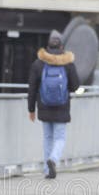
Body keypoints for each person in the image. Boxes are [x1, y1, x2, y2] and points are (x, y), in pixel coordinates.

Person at [28, 30, 80, 179]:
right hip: (62, 108)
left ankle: (46, 169)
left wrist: (31, 109)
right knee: (60, 138)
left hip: (44, 107)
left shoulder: (39, 64)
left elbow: (32, 88)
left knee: (47, 138)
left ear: (47, 46)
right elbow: (75, 86)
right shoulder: (68, 64)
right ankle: (53, 159)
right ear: (62, 47)